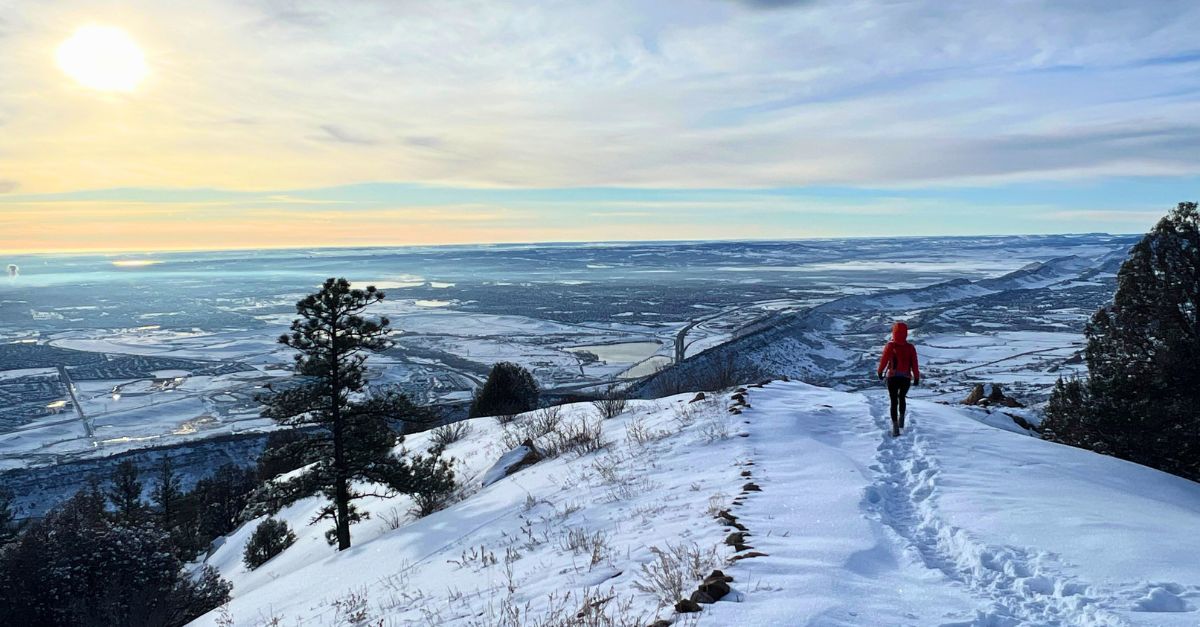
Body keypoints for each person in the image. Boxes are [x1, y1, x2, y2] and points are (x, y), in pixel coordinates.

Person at [877, 321, 920, 437]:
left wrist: (880, 372)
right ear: (906, 333)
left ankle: (895, 426)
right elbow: (914, 364)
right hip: (905, 377)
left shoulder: (890, 346)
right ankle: (901, 419)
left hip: (892, 377)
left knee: (893, 401)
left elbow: (884, 361)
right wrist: (916, 377)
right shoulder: (910, 347)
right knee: (902, 398)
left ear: (894, 332)